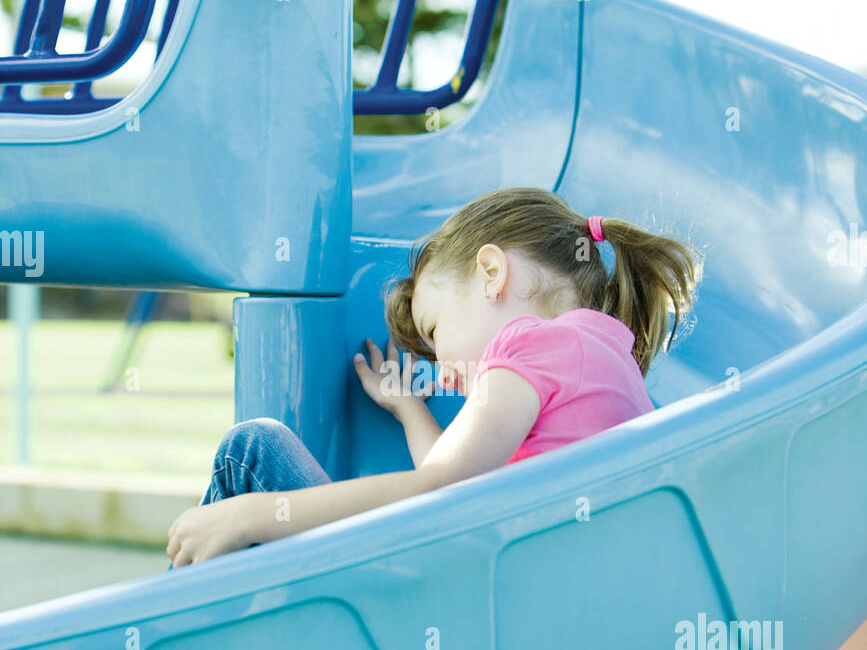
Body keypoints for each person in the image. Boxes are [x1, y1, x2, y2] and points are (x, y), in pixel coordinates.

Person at [166, 186, 702, 568]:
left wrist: (253, 516)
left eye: (435, 326)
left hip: (457, 598)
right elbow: (462, 477)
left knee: (253, 450)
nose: (441, 368)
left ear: (491, 273)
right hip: (517, 591)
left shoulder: (532, 343)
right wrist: (409, 408)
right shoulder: (606, 359)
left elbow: (440, 487)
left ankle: (170, 648)